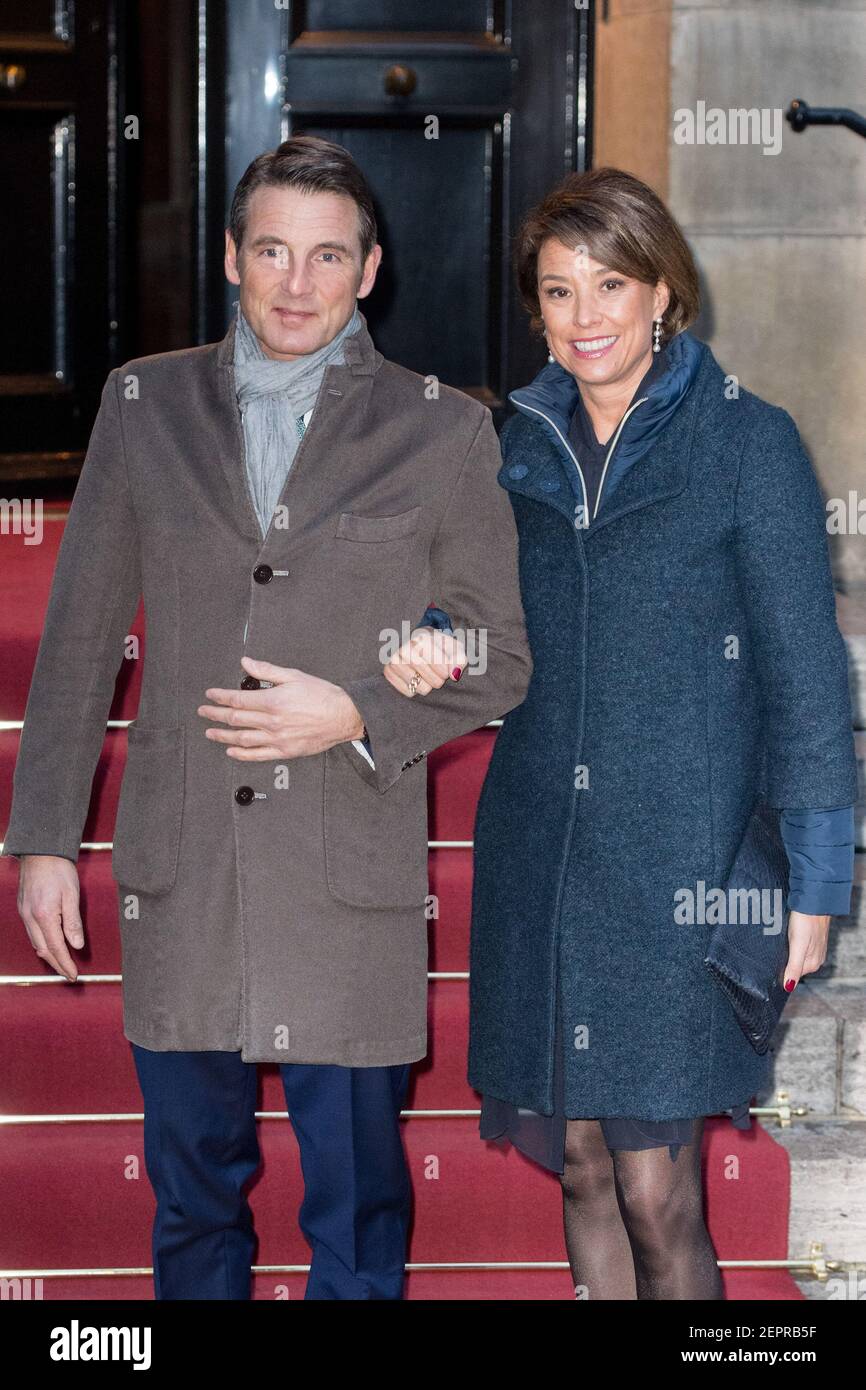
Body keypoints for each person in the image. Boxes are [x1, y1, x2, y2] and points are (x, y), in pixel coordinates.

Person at [3, 136, 532, 1300]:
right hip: (181, 864)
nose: (298, 283)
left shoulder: (441, 430)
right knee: (195, 1192)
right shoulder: (143, 401)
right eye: (274, 252)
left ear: (370, 268)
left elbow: (496, 653)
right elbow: (83, 638)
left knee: (354, 1200)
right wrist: (44, 840)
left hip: (345, 877)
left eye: (327, 255)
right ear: (234, 258)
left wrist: (353, 707)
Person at [381, 167, 857, 1300]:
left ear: (660, 294)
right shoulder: (508, 445)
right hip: (543, 854)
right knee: (583, 1168)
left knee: (657, 1187)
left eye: (610, 285)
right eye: (557, 292)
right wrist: (432, 636)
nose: (585, 317)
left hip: (681, 870)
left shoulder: (749, 444)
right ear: (534, 309)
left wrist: (816, 879)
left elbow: (802, 673)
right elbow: (480, 610)